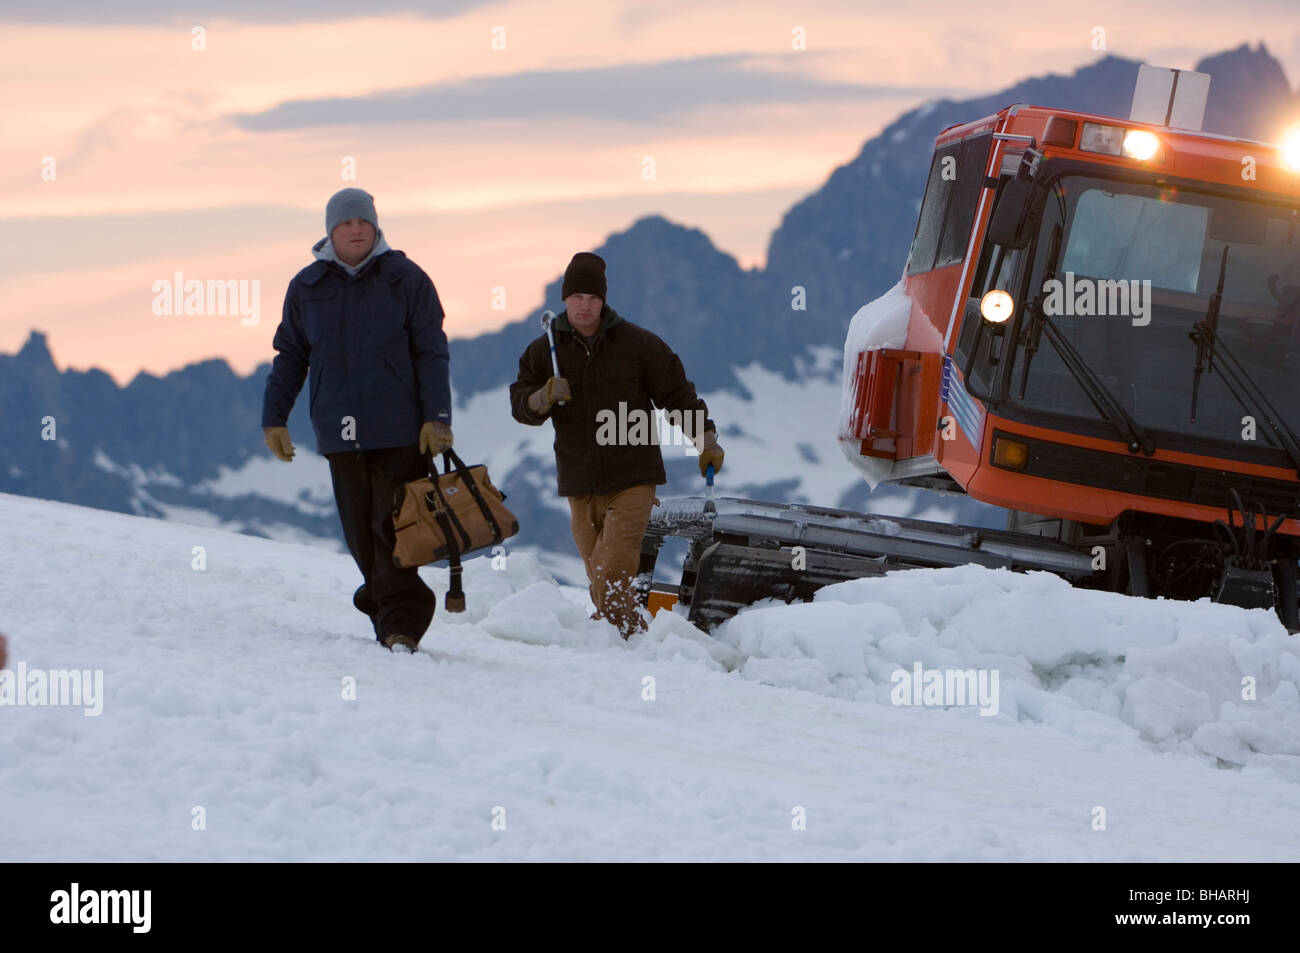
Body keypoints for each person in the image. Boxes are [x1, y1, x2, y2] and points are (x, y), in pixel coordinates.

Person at [261, 188, 453, 653]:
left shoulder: (406, 279)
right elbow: (290, 356)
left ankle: (401, 625)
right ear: (330, 231)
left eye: (363, 222)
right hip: (339, 433)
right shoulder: (307, 287)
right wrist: (275, 417)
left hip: (399, 430)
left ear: (376, 227)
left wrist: (437, 417)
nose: (355, 229)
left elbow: (431, 351)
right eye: (346, 223)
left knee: (390, 529)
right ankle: (387, 616)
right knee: (360, 537)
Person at [510, 252, 724, 639]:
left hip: (633, 477)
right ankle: (634, 642)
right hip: (578, 480)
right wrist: (541, 397)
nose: (585, 304)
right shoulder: (545, 351)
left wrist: (705, 440)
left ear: (604, 299)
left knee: (611, 573)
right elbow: (520, 405)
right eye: (577, 296)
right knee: (600, 580)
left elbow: (677, 396)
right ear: (564, 299)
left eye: (593, 296)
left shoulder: (638, 344)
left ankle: (628, 644)